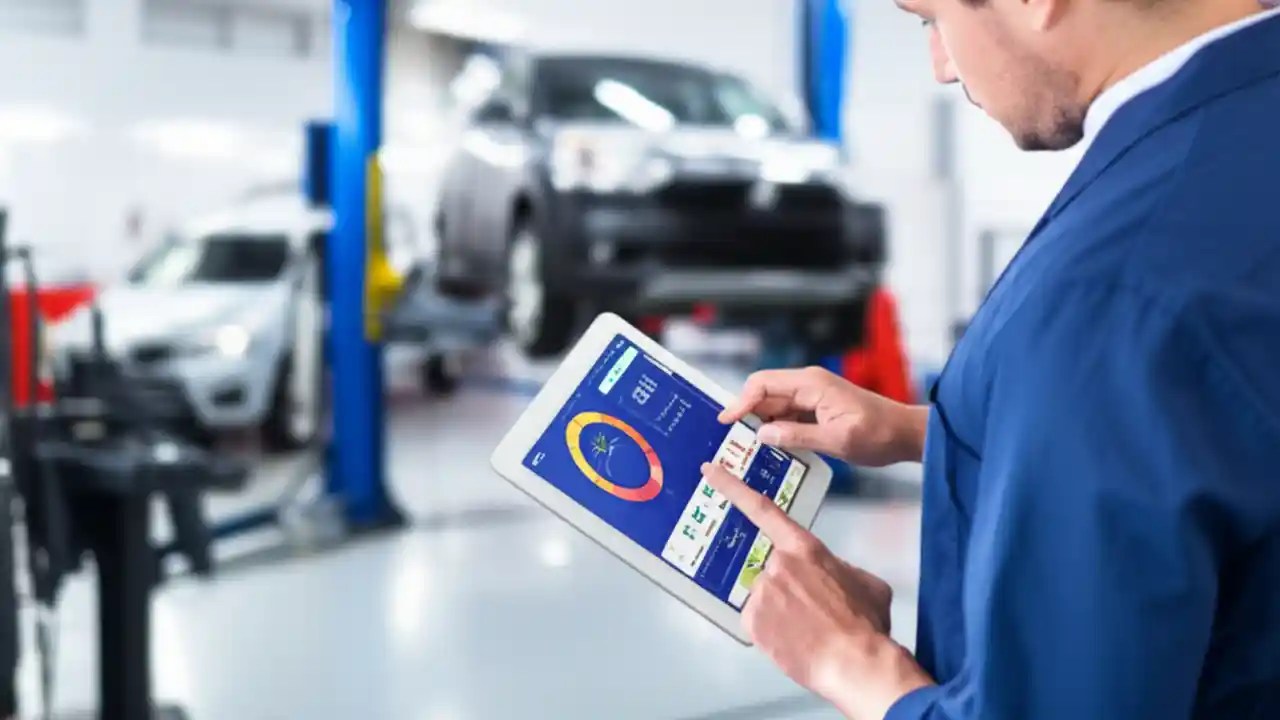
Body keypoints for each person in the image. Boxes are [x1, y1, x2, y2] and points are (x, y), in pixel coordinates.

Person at [701, 0, 1280, 718]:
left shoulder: (1105, 290)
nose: (942, 67)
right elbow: (1225, 419)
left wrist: (851, 662)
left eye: (932, 18)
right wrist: (936, 432)